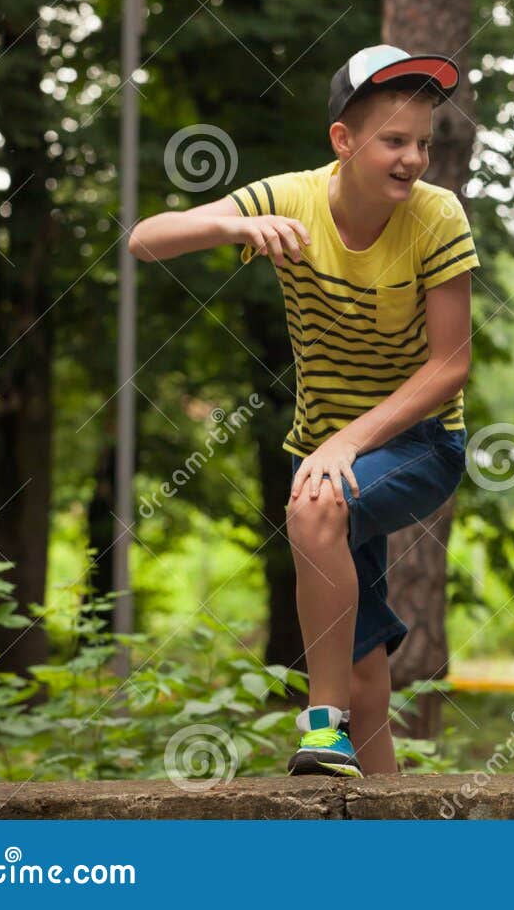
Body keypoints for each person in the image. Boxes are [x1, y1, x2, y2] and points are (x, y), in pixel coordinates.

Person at [128, 44, 478, 777]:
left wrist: (348, 443)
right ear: (343, 142)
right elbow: (146, 240)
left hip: (417, 443)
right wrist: (233, 227)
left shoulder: (437, 217)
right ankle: (389, 835)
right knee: (366, 674)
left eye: (423, 141)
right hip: (320, 447)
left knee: (316, 504)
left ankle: (321, 725)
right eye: (394, 140)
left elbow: (450, 364)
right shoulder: (290, 198)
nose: (414, 157)